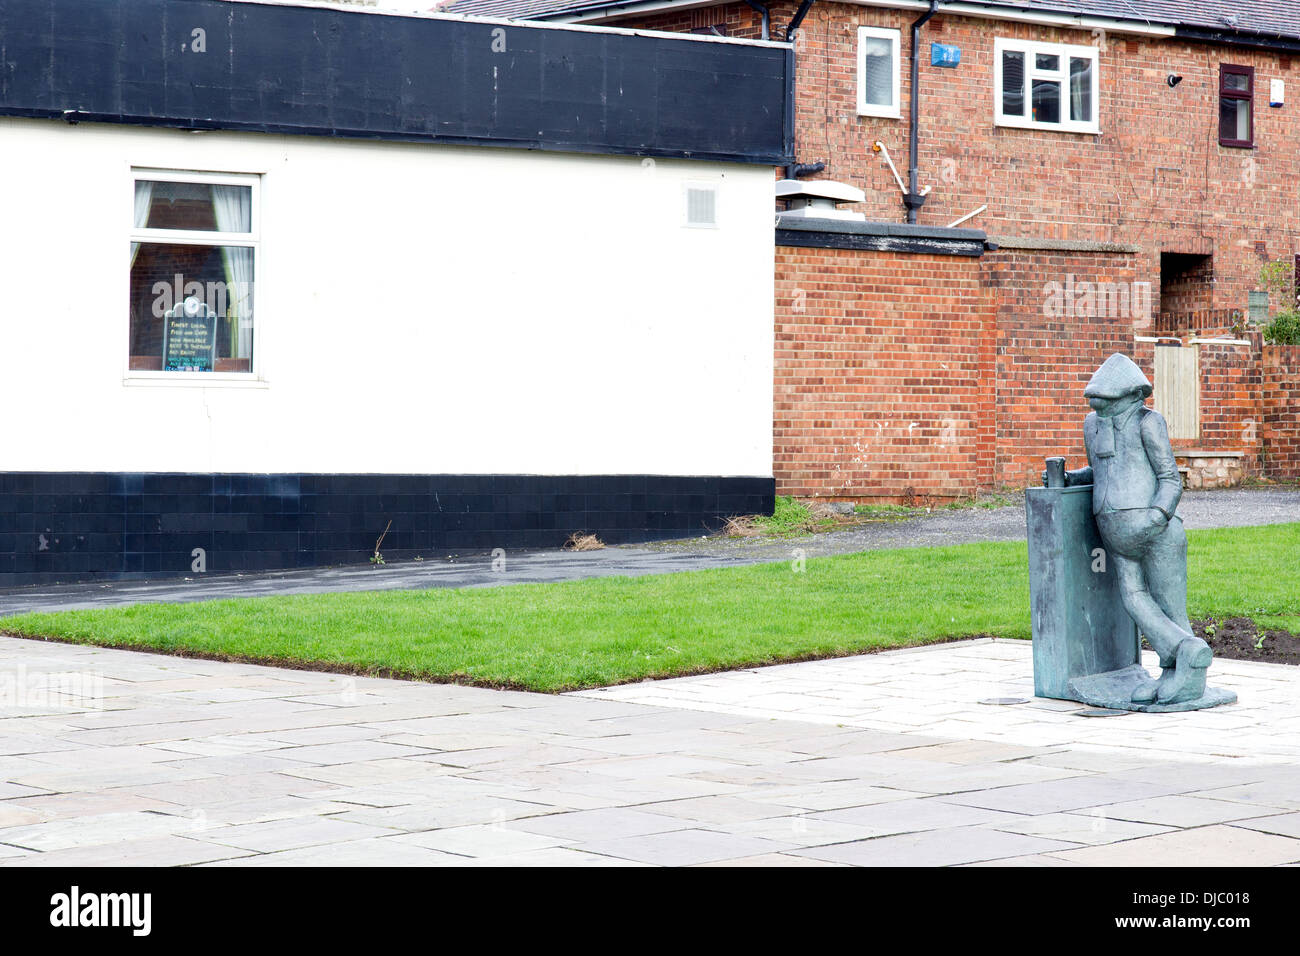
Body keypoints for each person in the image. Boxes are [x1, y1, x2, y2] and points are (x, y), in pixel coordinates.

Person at [1058, 353, 1212, 705]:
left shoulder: (1148, 422)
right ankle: (1180, 660)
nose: (1100, 406)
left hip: (1157, 533)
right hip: (1114, 531)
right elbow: (1100, 471)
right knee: (1134, 602)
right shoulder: (1092, 424)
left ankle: (1186, 675)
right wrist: (1071, 477)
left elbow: (1170, 478)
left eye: (1108, 400)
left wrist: (1156, 517)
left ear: (1130, 394)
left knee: (1170, 608)